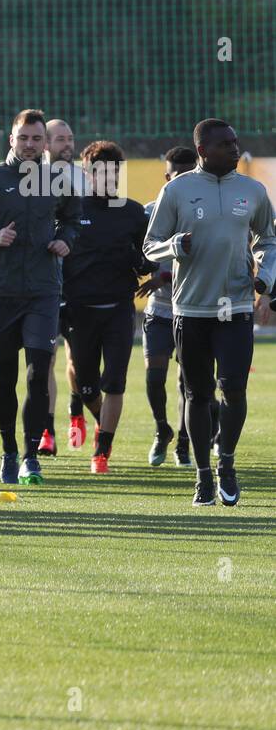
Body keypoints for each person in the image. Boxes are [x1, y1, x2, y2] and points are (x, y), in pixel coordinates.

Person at [144, 118, 276, 506]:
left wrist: (264, 277)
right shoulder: (177, 191)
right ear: (203, 150)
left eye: (236, 142)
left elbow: (268, 238)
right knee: (197, 395)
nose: (236, 149)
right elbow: (150, 245)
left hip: (234, 307)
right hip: (189, 311)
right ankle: (202, 475)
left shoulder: (253, 191)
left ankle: (227, 464)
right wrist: (174, 247)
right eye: (227, 144)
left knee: (233, 389)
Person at [0, 109, 81, 486]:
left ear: (45, 142)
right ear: (12, 139)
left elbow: (74, 220)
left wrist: (65, 240)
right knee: (5, 378)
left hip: (43, 291)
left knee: (39, 372)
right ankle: (8, 452)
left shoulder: (58, 181)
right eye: (22, 138)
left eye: (36, 139)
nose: (29, 145)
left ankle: (30, 457)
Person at [60, 141, 152, 473]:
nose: (107, 178)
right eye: (99, 172)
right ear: (87, 173)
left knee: (115, 381)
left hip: (118, 309)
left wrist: (142, 263)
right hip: (79, 310)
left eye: (113, 172)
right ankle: (98, 419)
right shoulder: (72, 209)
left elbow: (148, 259)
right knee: (87, 386)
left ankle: (102, 451)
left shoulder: (132, 212)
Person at [141, 146, 200, 466]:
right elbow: (145, 254)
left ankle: (184, 443)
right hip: (160, 309)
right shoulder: (151, 211)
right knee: (154, 377)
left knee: (189, 382)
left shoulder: (204, 213)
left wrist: (163, 275)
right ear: (167, 177)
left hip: (194, 309)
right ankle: (162, 430)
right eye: (177, 175)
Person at [44, 118, 89, 454]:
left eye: (70, 138)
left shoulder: (84, 182)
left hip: (77, 284)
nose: (67, 144)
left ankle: (76, 411)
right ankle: (47, 431)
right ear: (44, 143)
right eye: (60, 139)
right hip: (43, 284)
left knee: (77, 360)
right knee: (44, 358)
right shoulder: (28, 182)